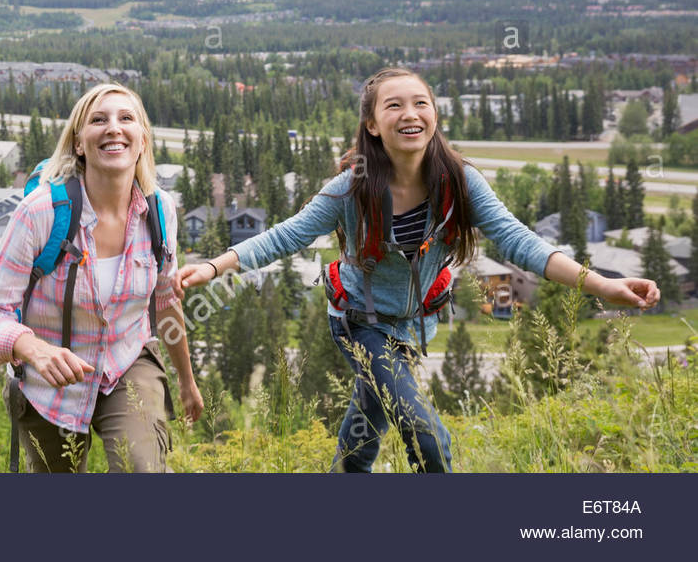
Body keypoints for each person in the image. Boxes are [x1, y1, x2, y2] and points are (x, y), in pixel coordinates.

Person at [175, 67, 659, 473]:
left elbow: (519, 242)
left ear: (434, 114)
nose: (410, 114)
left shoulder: (460, 182)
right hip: (359, 323)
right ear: (371, 125)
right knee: (427, 437)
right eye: (394, 106)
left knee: (363, 437)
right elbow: (288, 235)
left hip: (413, 325)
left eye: (421, 103)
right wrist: (215, 267)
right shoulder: (351, 188)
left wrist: (602, 285)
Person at [0, 83, 203, 472]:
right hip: (52, 379)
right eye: (99, 120)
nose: (113, 127)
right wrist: (33, 350)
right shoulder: (40, 213)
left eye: (126, 118)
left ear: (142, 141)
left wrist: (186, 379)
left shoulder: (160, 212)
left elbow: (165, 300)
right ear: (79, 143)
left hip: (127, 360)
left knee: (141, 470)